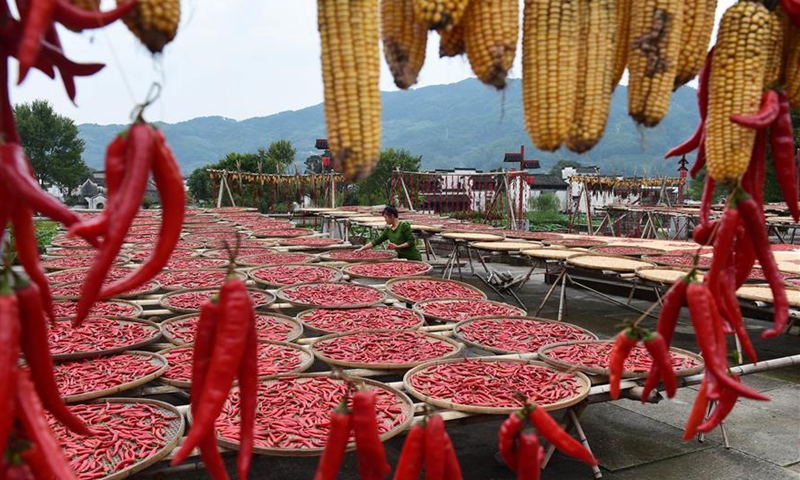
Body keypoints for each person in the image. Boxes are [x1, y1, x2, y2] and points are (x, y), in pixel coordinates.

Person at [357, 205, 422, 261]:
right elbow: (376, 241)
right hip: (402, 259)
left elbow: (411, 242)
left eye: (386, 217)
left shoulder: (403, 225)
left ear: (392, 216)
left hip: (413, 258)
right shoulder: (389, 230)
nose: (385, 219)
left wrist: (397, 246)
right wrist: (361, 249)